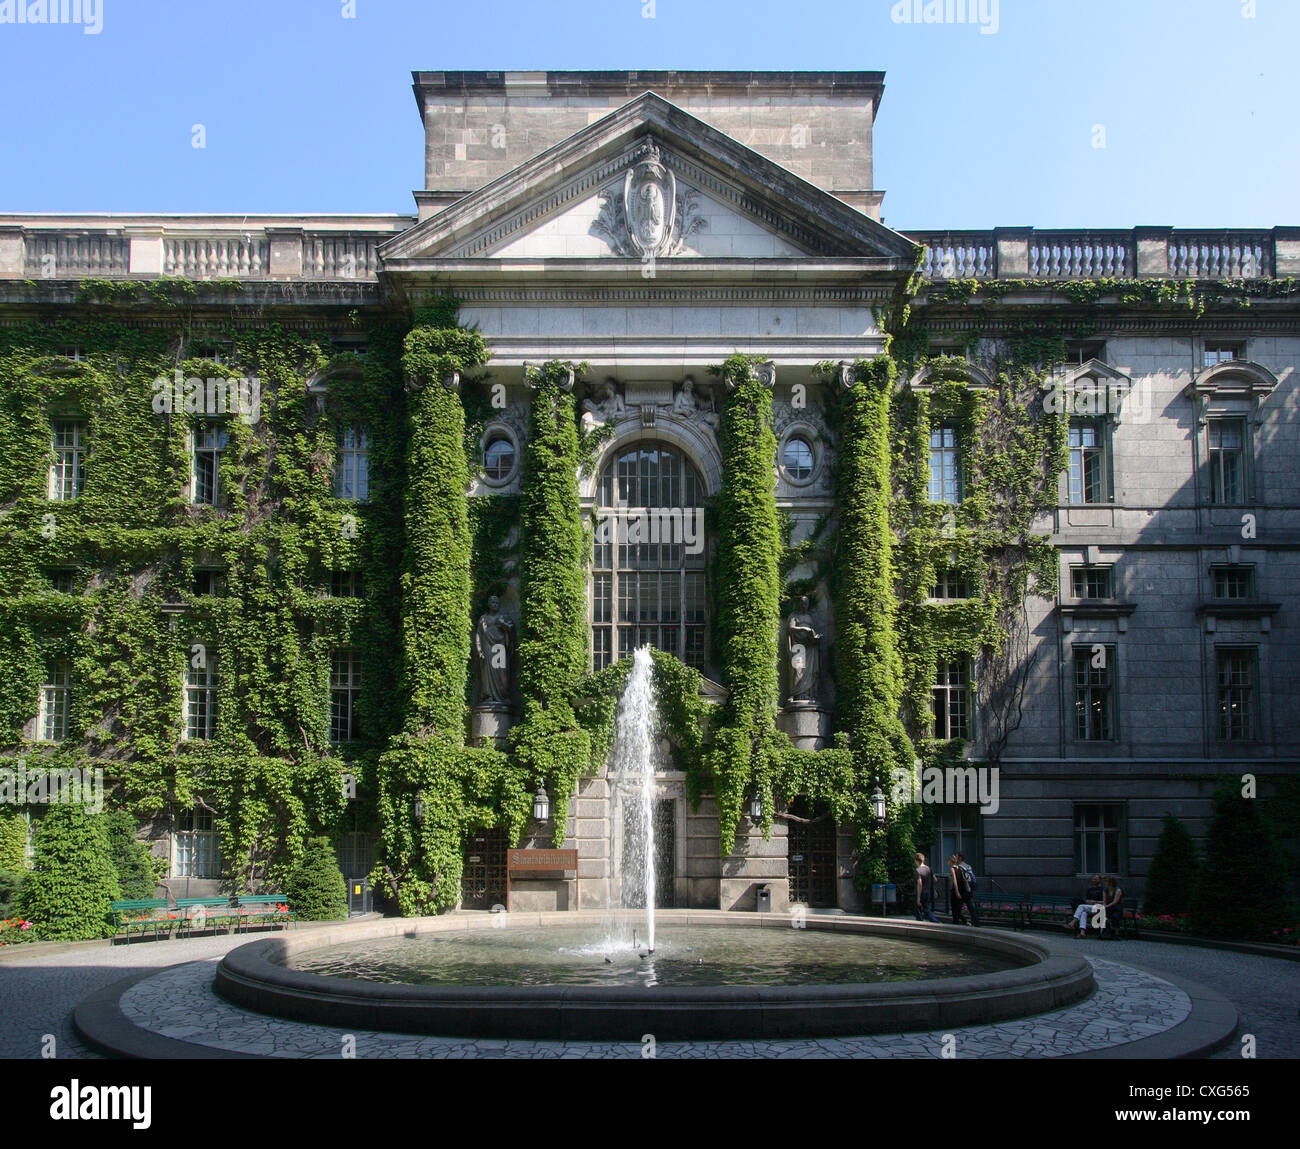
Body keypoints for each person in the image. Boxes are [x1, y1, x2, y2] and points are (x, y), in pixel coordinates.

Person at [955, 851, 980, 927]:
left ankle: (965, 922)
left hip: (963, 890)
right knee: (971, 907)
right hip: (969, 889)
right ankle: (976, 923)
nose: (955, 858)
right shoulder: (968, 866)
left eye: (956, 856)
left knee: (956, 909)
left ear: (959, 858)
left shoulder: (958, 867)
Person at [914, 852, 939, 923]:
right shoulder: (928, 868)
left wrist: (918, 897)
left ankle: (922, 923)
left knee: (918, 910)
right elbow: (935, 879)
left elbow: (919, 884)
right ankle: (936, 922)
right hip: (928, 892)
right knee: (927, 909)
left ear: (916, 860)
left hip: (921, 892)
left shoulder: (917, 870)